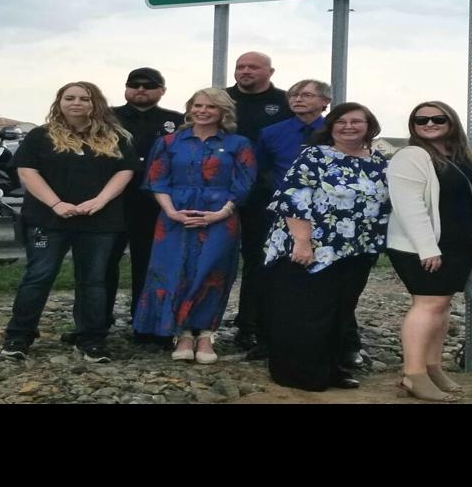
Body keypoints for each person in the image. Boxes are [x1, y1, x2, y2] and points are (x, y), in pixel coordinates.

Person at [0, 81, 137, 363]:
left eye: (84, 98)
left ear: (95, 103)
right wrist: (56, 204)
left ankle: (91, 340)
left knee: (93, 281)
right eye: (69, 98)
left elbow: (125, 172)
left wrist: (100, 200)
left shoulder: (116, 137)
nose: (77, 103)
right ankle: (19, 336)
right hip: (48, 219)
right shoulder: (40, 136)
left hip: (100, 221)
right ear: (59, 102)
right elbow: (27, 173)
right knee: (38, 276)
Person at [261, 102, 389, 391]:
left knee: (340, 312)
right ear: (330, 126)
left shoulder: (379, 162)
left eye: (356, 121)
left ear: (369, 127)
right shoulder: (315, 156)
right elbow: (293, 198)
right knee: (305, 313)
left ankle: (333, 368)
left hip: (356, 251)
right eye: (341, 121)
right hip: (312, 247)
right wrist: (303, 242)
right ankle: (298, 373)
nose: (348, 126)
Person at [131, 88, 256, 365]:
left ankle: (206, 334)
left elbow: (245, 183)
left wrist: (221, 213)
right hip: (174, 215)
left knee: (212, 272)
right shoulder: (169, 142)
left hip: (221, 215)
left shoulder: (238, 143)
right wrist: (171, 212)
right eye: (197, 105)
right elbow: (156, 180)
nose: (202, 111)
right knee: (175, 271)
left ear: (223, 112)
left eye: (210, 107)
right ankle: (184, 333)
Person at [384, 101, 472, 403]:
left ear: (451, 121)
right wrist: (427, 248)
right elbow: (409, 206)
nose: (429, 123)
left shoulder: (469, 155)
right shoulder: (411, 155)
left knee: (441, 307)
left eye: (437, 118)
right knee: (427, 305)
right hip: (421, 246)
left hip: (458, 244)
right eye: (421, 120)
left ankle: (432, 367)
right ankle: (412, 374)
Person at [225, 51, 295, 358]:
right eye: (240, 66)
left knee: (258, 259)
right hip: (220, 191)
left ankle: (250, 326)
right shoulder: (221, 99)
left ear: (270, 71)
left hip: (263, 194)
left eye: (253, 67)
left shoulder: (284, 102)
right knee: (214, 257)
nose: (245, 71)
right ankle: (197, 326)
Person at [108, 67, 185, 345]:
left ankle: (147, 325)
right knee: (103, 265)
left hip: (155, 204)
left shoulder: (176, 121)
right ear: (126, 88)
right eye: (135, 84)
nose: (141, 89)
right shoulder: (106, 118)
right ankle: (96, 324)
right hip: (111, 201)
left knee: (150, 265)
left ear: (162, 90)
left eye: (149, 85)